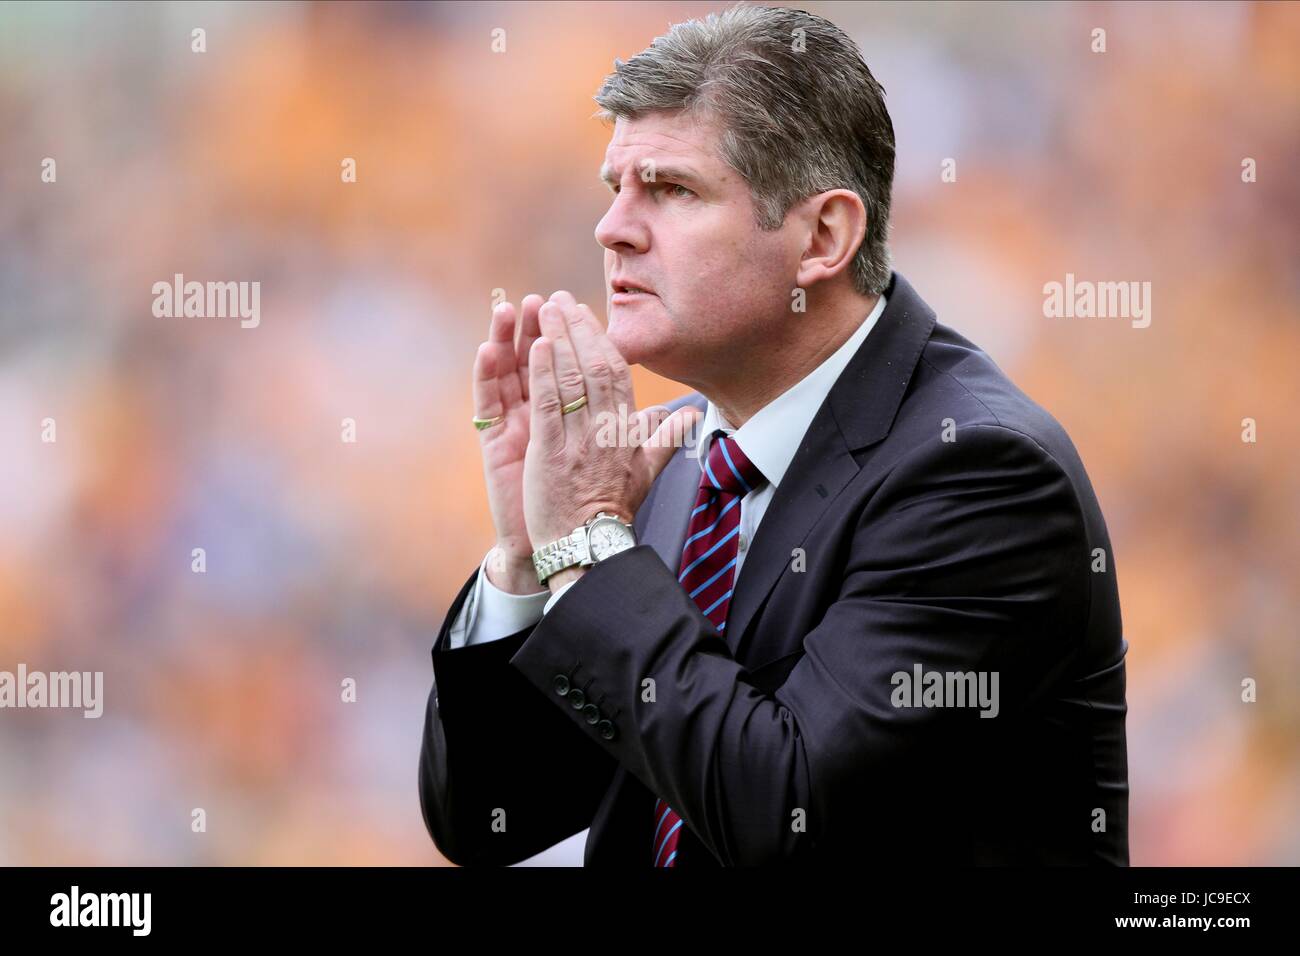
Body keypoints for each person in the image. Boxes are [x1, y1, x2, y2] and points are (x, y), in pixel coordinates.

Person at [418, 5, 1129, 867]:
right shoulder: (667, 463)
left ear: (822, 237)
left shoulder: (980, 471)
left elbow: (790, 814)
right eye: (617, 188)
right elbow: (493, 816)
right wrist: (532, 556)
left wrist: (591, 543)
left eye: (672, 189)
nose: (613, 228)